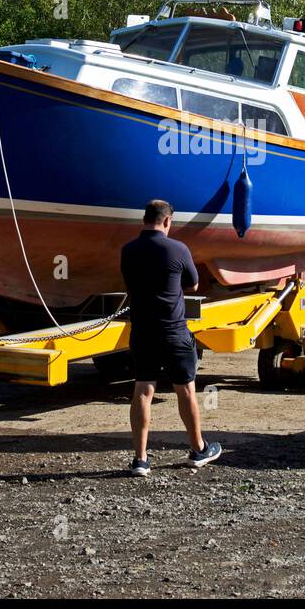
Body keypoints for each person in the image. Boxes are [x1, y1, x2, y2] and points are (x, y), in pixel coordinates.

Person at [119, 199, 222, 476]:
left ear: (144, 219)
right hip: (174, 331)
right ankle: (198, 449)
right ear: (167, 221)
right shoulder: (177, 249)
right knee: (185, 389)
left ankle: (140, 460)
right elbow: (193, 283)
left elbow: (128, 281)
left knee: (143, 390)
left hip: (143, 331)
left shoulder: (128, 251)